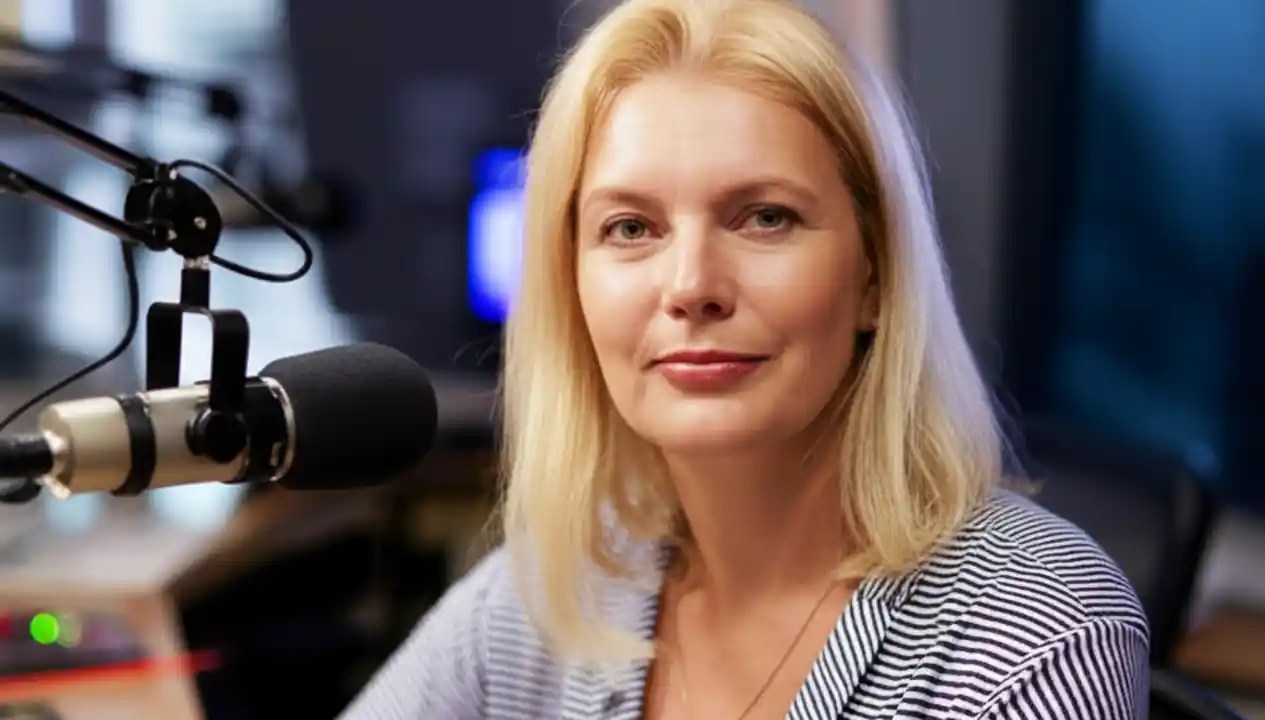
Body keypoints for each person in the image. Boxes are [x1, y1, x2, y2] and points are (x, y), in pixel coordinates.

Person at [341, 0, 1149, 717]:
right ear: (570, 283)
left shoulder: (1034, 633)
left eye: (764, 217)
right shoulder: (561, 590)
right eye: (631, 228)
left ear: (875, 276)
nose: (692, 287)